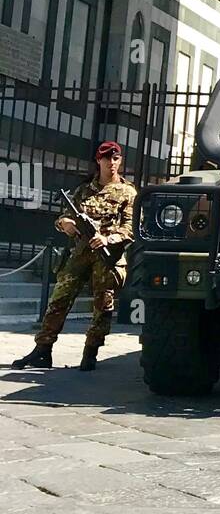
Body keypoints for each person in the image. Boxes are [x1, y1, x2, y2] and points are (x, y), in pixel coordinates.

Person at [11, 142, 136, 372]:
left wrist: (109, 239)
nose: (112, 162)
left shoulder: (128, 192)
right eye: (107, 158)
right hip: (80, 253)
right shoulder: (83, 190)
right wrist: (64, 224)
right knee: (59, 299)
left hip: (108, 257)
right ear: (98, 161)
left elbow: (131, 228)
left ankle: (91, 351)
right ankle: (43, 349)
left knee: (103, 305)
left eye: (116, 158)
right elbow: (65, 217)